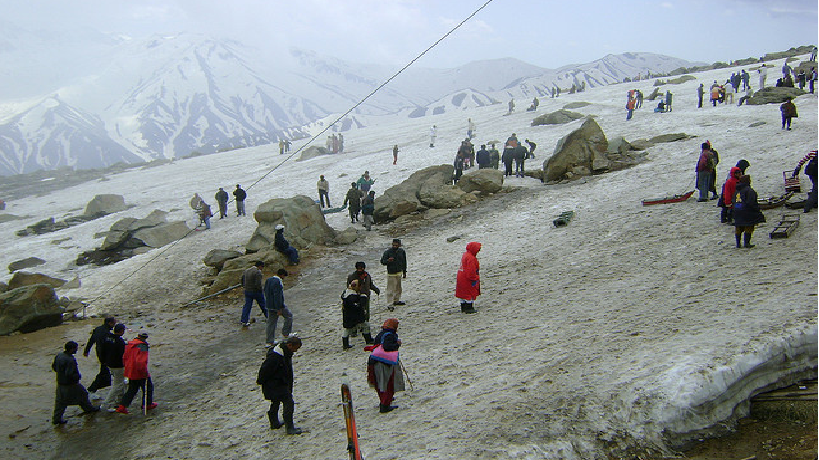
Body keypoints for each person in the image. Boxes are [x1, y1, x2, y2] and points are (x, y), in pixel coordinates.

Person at [257, 335, 303, 434]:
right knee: (288, 402)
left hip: (279, 383)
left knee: (276, 401)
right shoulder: (275, 357)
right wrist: (261, 382)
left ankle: (274, 423)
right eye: (296, 348)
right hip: (275, 385)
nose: (296, 351)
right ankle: (289, 427)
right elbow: (264, 371)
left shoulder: (284, 353)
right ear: (290, 345)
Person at [52, 341, 99, 424]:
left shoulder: (59, 356)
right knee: (83, 394)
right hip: (71, 384)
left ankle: (57, 418)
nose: (77, 350)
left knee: (60, 401)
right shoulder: (70, 360)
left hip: (60, 382)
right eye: (75, 348)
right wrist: (77, 377)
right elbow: (69, 373)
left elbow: (54, 367)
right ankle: (88, 409)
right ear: (71, 349)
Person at [366, 318, 405, 413]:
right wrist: (397, 344)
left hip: (373, 361)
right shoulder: (390, 336)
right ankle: (385, 406)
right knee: (387, 383)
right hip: (383, 363)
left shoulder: (380, 335)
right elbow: (387, 348)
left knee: (379, 383)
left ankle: (383, 402)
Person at [115, 332, 157, 414]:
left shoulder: (129, 344)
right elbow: (141, 361)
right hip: (139, 371)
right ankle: (147, 404)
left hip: (130, 370)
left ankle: (122, 406)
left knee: (132, 389)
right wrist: (144, 372)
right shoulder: (143, 346)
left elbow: (124, 357)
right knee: (148, 387)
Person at [83, 316, 116, 394]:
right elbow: (107, 345)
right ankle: (93, 388)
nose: (114, 325)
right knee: (104, 372)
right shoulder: (107, 333)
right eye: (113, 323)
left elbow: (91, 341)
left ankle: (98, 387)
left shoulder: (98, 329)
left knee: (105, 371)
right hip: (105, 354)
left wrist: (86, 350)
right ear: (109, 323)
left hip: (99, 353)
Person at [732, 175, 766, 248]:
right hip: (747, 212)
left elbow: (735, 201)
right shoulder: (749, 190)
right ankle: (747, 243)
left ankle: (738, 244)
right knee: (749, 227)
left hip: (737, 210)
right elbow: (751, 202)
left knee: (738, 228)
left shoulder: (737, 190)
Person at [100, 324, 127, 411]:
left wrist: (103, 361)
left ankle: (120, 401)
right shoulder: (119, 341)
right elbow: (123, 355)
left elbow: (102, 350)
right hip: (118, 365)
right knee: (118, 385)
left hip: (109, 364)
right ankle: (106, 404)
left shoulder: (107, 338)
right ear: (121, 331)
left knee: (119, 382)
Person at [264, 268, 293, 347]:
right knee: (289, 316)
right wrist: (279, 308)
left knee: (271, 323)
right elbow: (278, 296)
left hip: (269, 305)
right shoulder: (278, 282)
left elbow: (265, 292)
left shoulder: (268, 280)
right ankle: (286, 334)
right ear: (282, 275)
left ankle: (269, 341)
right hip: (278, 306)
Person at [341, 280, 373, 349]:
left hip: (347, 316)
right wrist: (363, 297)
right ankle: (368, 340)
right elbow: (359, 305)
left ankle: (345, 344)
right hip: (355, 316)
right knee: (365, 325)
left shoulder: (346, 294)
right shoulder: (353, 296)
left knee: (347, 330)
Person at [380, 239, 407, 309]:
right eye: (393, 245)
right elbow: (382, 261)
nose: (395, 246)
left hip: (399, 272)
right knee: (390, 289)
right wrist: (388, 261)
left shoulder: (402, 251)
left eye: (396, 245)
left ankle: (396, 300)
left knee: (398, 287)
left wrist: (404, 272)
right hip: (391, 273)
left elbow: (404, 262)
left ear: (399, 245)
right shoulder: (387, 252)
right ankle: (390, 303)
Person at [455, 242, 481, 314]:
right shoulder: (471, 258)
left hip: (461, 277)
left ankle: (463, 307)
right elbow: (471, 272)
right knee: (470, 292)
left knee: (462, 293)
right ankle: (469, 308)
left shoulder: (465, 255)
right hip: (467, 279)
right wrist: (475, 277)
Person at [240, 261, 267, 327]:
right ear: (260, 266)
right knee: (263, 304)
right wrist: (261, 291)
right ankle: (268, 316)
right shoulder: (258, 272)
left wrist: (244, 286)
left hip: (247, 291)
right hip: (255, 291)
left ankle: (244, 321)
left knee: (247, 306)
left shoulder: (247, 271)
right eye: (262, 267)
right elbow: (258, 284)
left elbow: (242, 280)